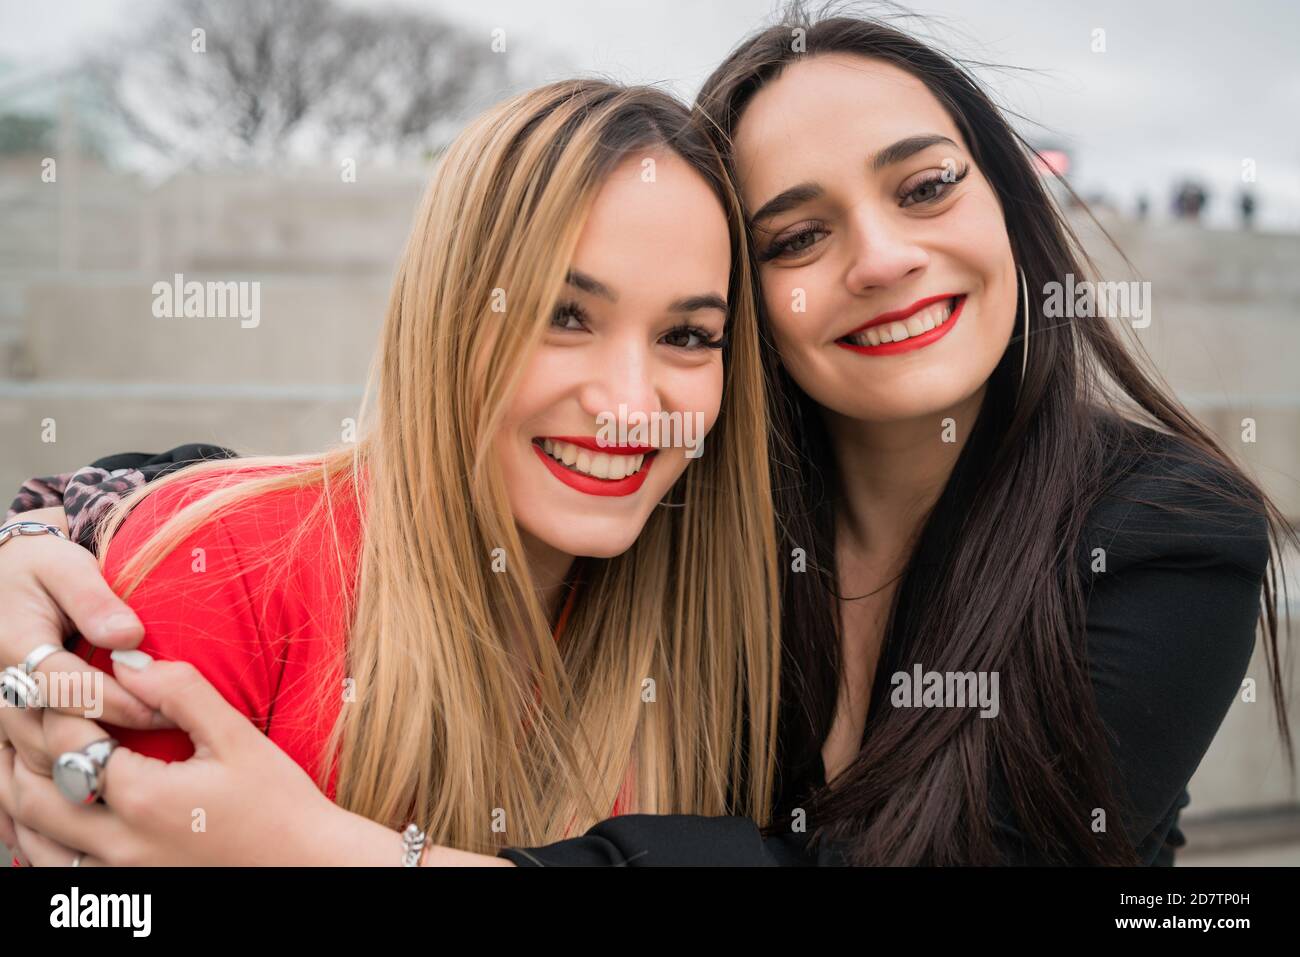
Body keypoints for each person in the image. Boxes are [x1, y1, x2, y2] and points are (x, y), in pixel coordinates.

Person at [2, 10, 1292, 867]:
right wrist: (55, 525)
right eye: (794, 235)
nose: (885, 258)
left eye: (925, 184)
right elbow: (271, 523)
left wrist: (342, 858)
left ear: (1009, 201)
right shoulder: (692, 510)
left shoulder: (1164, 540)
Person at [0, 78, 784, 866]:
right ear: (448, 311)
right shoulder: (223, 565)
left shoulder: (726, 629)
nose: (629, 406)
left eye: (687, 334)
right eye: (563, 314)